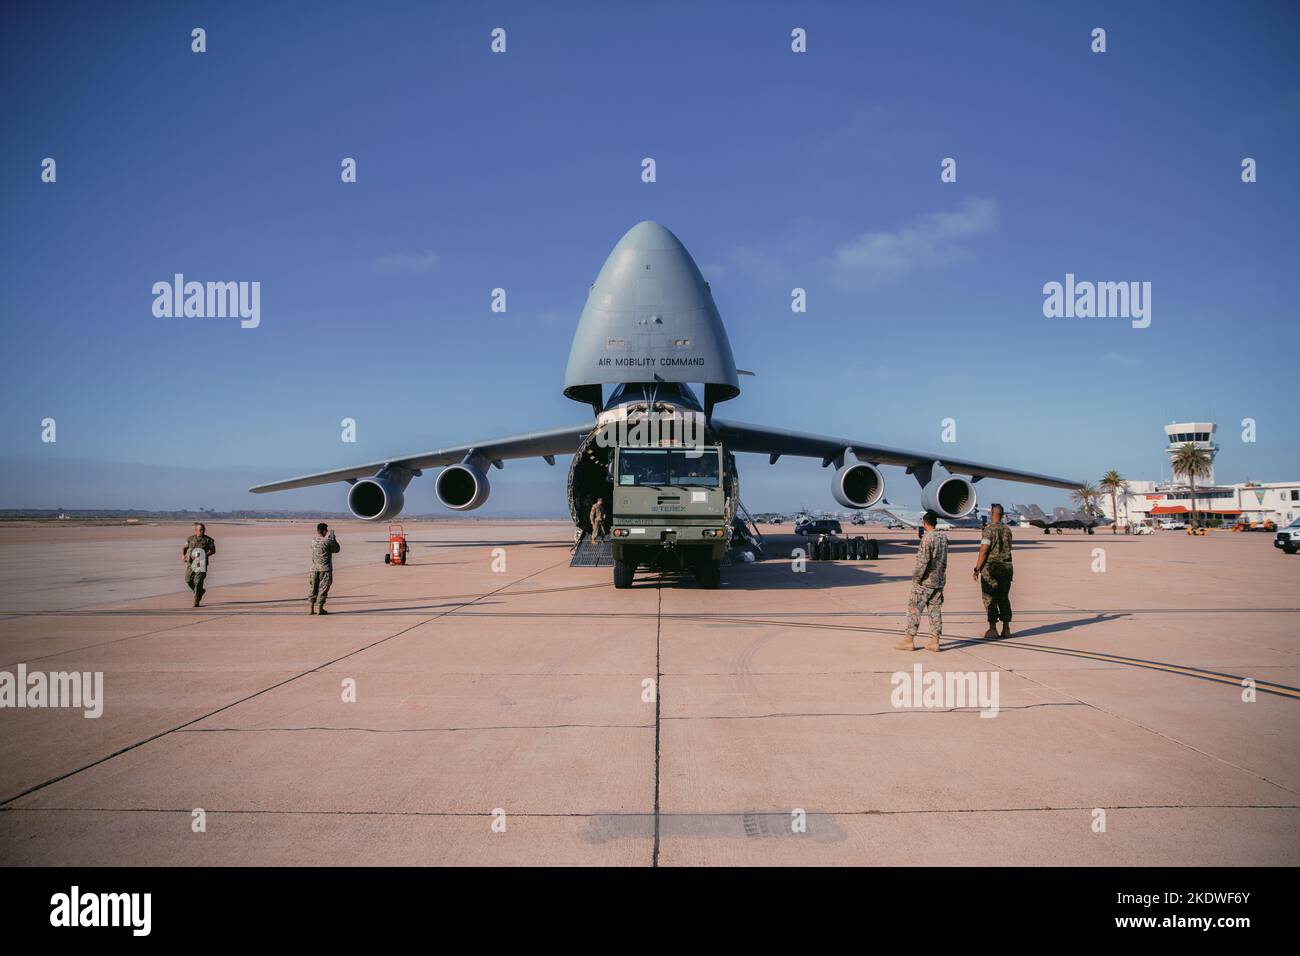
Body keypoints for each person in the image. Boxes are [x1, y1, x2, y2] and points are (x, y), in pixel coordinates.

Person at [897, 511, 947, 652]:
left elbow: (923, 562)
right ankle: (935, 641)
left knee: (914, 610)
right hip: (939, 580)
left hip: (925, 581)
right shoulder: (943, 537)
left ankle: (909, 640)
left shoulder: (927, 538)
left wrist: (916, 578)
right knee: (935, 610)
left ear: (925, 523)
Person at [974, 502, 1014, 638]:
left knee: (990, 598)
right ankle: (1006, 629)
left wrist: (977, 568)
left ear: (992, 514)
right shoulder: (1007, 530)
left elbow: (984, 550)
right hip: (1006, 569)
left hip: (991, 569)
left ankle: (993, 629)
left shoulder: (989, 530)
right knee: (1004, 597)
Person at [308, 522, 341, 615]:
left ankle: (311, 609)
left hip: (314, 569)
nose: (326, 532)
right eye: (326, 530)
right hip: (325, 569)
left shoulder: (313, 541)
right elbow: (337, 549)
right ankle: (320, 609)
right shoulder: (328, 541)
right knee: (323, 589)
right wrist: (333, 539)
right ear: (323, 531)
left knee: (313, 588)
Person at [181, 522, 216, 607]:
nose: (202, 531)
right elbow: (185, 547)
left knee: (198, 582)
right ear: (195, 530)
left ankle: (196, 600)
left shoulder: (208, 540)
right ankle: (200, 591)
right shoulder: (190, 539)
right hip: (191, 563)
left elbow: (213, 550)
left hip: (201, 564)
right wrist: (183, 555)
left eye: (203, 530)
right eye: (200, 530)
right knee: (188, 580)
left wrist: (204, 555)